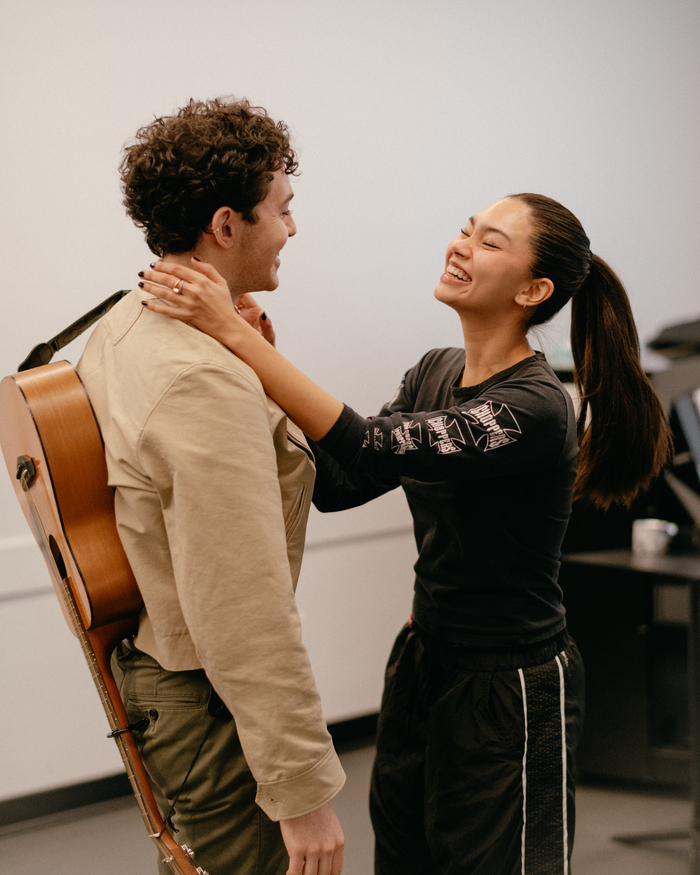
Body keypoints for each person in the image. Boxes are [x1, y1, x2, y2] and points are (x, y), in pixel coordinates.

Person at [138, 192, 671, 874]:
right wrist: (261, 358)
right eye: (464, 230)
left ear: (534, 289)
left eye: (489, 242)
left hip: (511, 686)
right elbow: (340, 481)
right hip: (424, 664)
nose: (460, 245)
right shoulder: (435, 370)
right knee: (405, 853)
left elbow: (363, 444)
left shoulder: (533, 407)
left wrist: (234, 336)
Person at [76, 97, 346, 875]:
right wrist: (300, 791)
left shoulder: (125, 323)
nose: (292, 228)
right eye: (282, 210)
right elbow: (241, 599)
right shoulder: (200, 378)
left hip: (164, 677)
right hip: (206, 699)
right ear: (226, 226)